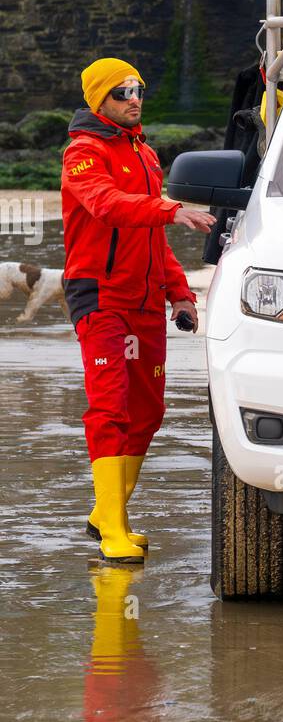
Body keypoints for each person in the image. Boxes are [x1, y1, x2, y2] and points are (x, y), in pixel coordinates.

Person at [61, 58, 216, 564]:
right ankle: (113, 530)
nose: (135, 98)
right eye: (123, 91)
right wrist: (174, 208)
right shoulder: (82, 153)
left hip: (147, 300)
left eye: (139, 89)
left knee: (148, 412)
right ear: (98, 100)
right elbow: (107, 205)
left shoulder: (146, 155)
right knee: (110, 405)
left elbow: (151, 238)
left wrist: (181, 295)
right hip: (100, 295)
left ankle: (106, 512)